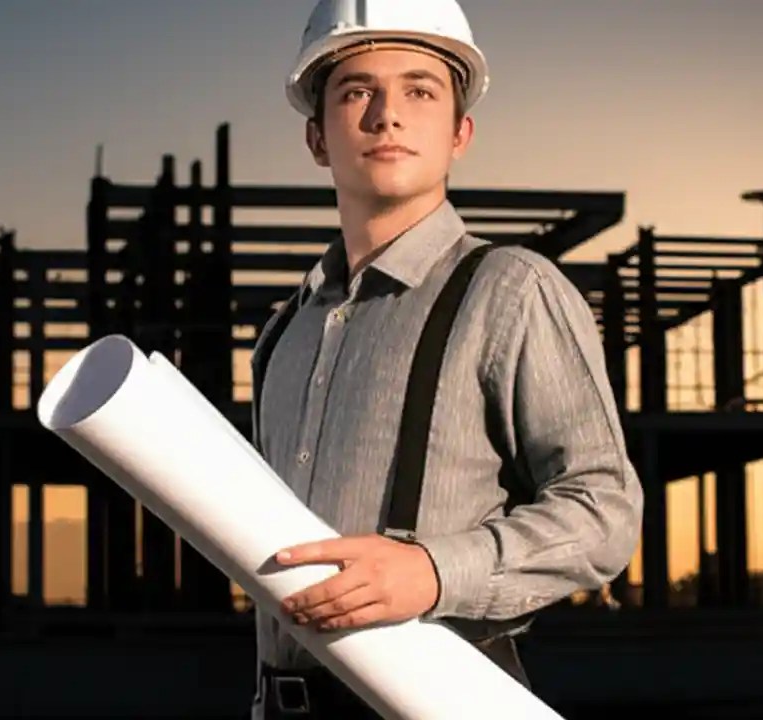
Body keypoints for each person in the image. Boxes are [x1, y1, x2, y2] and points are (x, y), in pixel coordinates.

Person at [247, 0, 644, 716]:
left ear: (460, 132)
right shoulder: (284, 332)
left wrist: (434, 571)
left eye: (419, 91)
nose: (386, 115)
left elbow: (605, 510)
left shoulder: (510, 292)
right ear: (316, 136)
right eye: (357, 91)